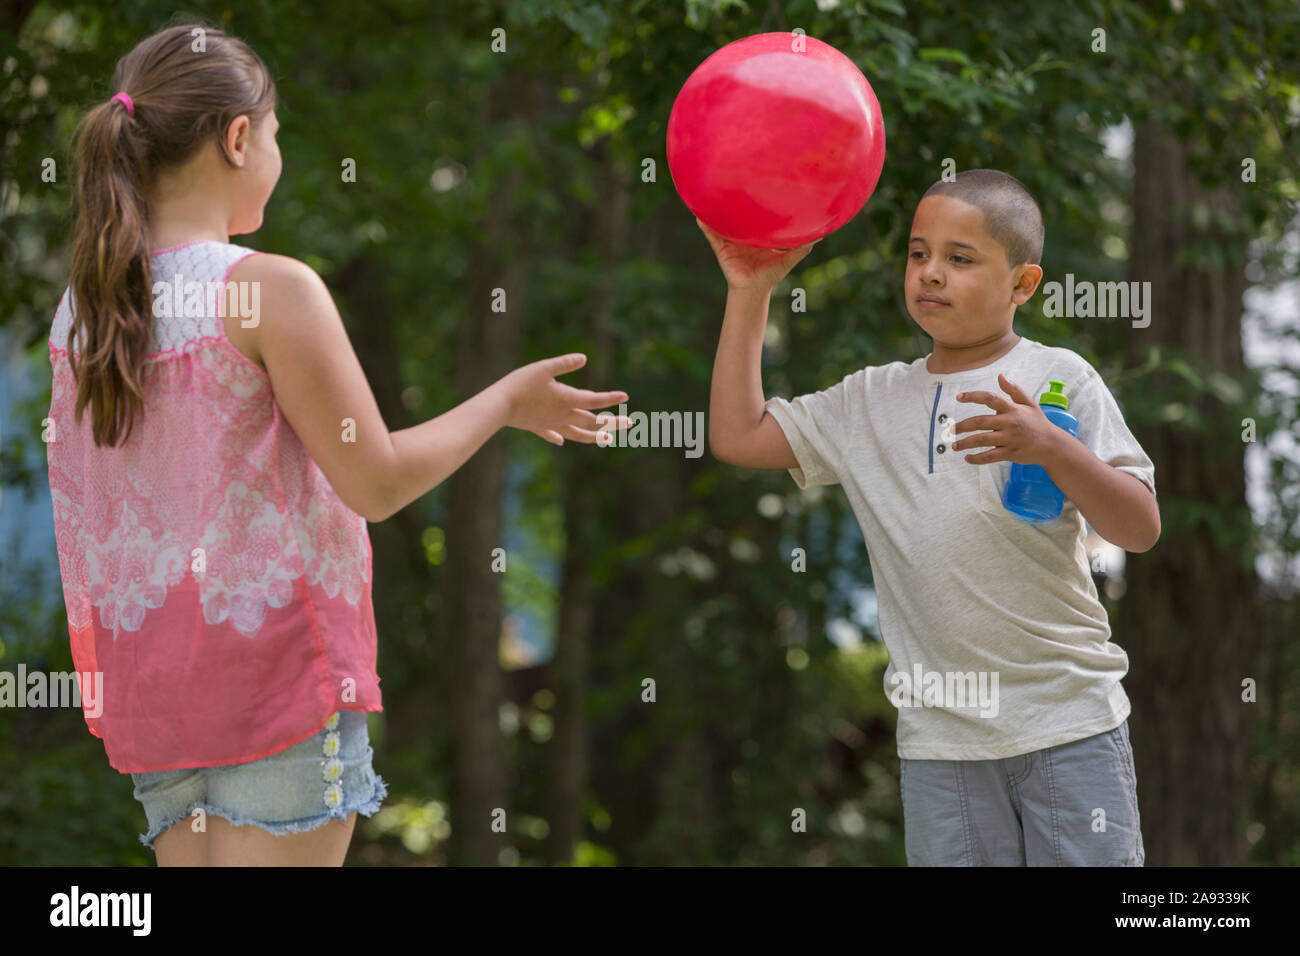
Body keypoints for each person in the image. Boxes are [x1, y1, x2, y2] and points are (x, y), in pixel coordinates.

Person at [46, 23, 629, 866]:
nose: (278, 152)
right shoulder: (269, 291)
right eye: (276, 132)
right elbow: (378, 481)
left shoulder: (83, 312)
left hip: (158, 696)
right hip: (275, 679)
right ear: (238, 138)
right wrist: (504, 401)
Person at [702, 168, 1158, 866]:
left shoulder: (1058, 379)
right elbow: (736, 436)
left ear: (1023, 284)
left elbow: (1139, 527)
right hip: (940, 747)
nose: (931, 274)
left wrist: (1052, 448)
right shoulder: (868, 401)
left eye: (960, 258)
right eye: (919, 254)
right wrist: (750, 290)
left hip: (1069, 726)